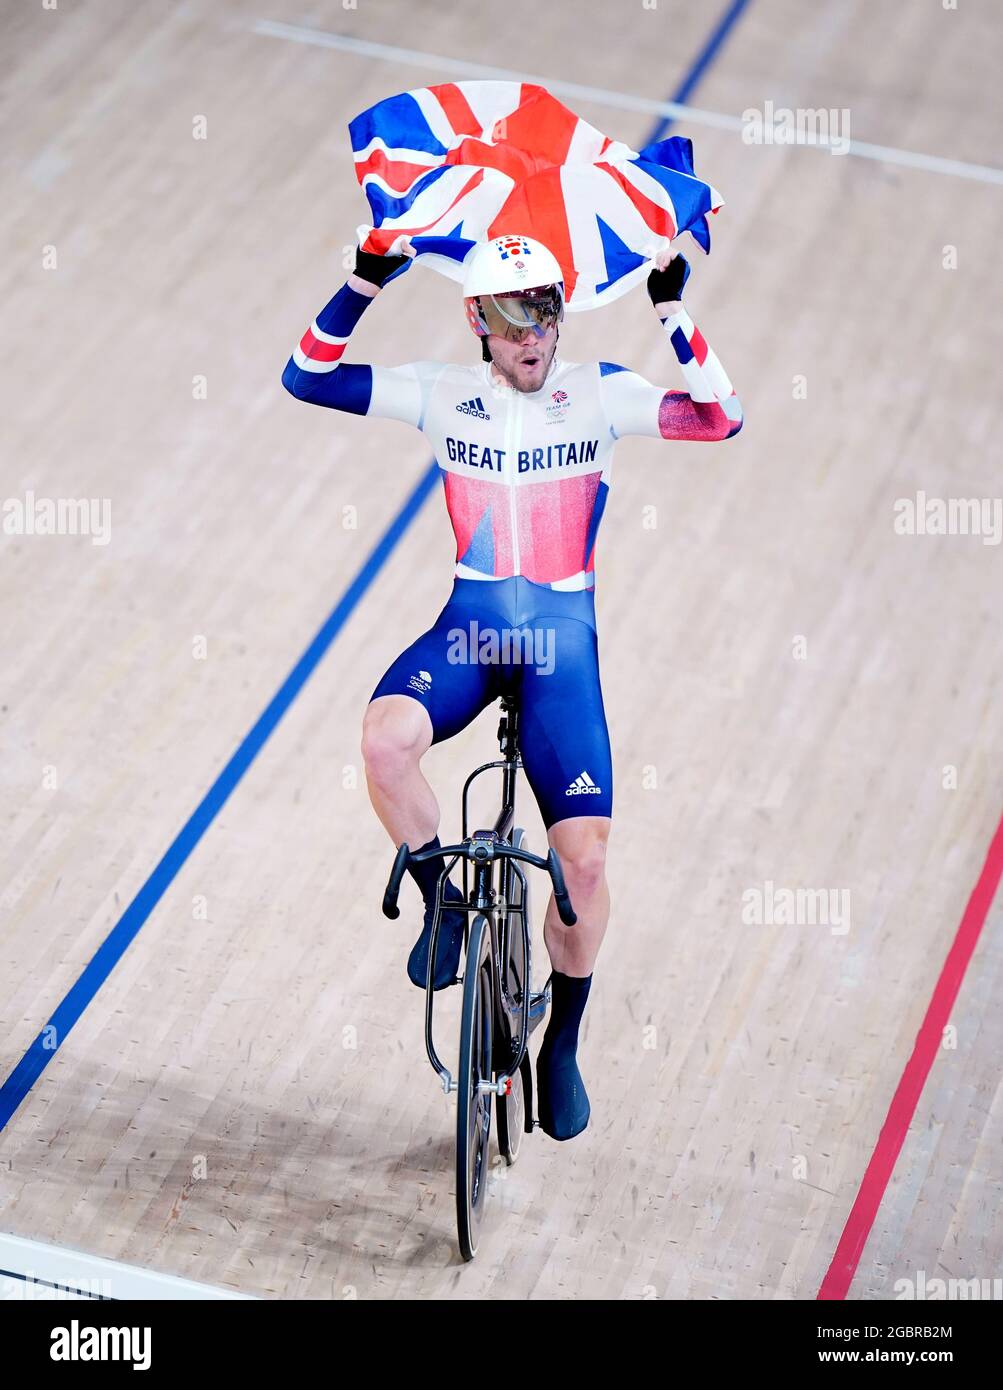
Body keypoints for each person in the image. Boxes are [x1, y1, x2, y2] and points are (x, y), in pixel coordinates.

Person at [281, 234, 742, 1141]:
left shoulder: (600, 392)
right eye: (509, 316)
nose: (532, 335)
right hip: (469, 631)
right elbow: (306, 376)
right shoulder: (442, 393)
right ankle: (442, 899)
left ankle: (560, 1044)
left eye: (545, 311)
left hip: (560, 650)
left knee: (587, 863)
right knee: (383, 741)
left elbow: (720, 417)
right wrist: (361, 281)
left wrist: (672, 308)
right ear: (475, 321)